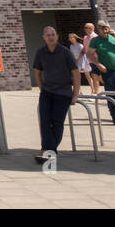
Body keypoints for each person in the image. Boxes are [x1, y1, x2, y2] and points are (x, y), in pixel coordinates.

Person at [32, 25, 81, 164]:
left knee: (57, 123)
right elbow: (38, 72)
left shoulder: (65, 52)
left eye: (53, 34)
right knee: (45, 121)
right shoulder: (41, 52)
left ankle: (48, 151)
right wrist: (41, 88)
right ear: (44, 37)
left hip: (63, 93)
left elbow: (76, 73)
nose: (51, 37)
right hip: (47, 92)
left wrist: (75, 94)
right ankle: (49, 151)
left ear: (57, 36)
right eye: (48, 35)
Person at [82, 23, 102, 93]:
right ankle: (96, 93)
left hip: (98, 60)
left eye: (89, 28)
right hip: (90, 61)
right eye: (85, 28)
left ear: (93, 29)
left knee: (101, 78)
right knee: (94, 77)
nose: (87, 29)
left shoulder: (96, 37)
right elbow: (85, 49)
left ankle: (110, 91)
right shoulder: (85, 38)